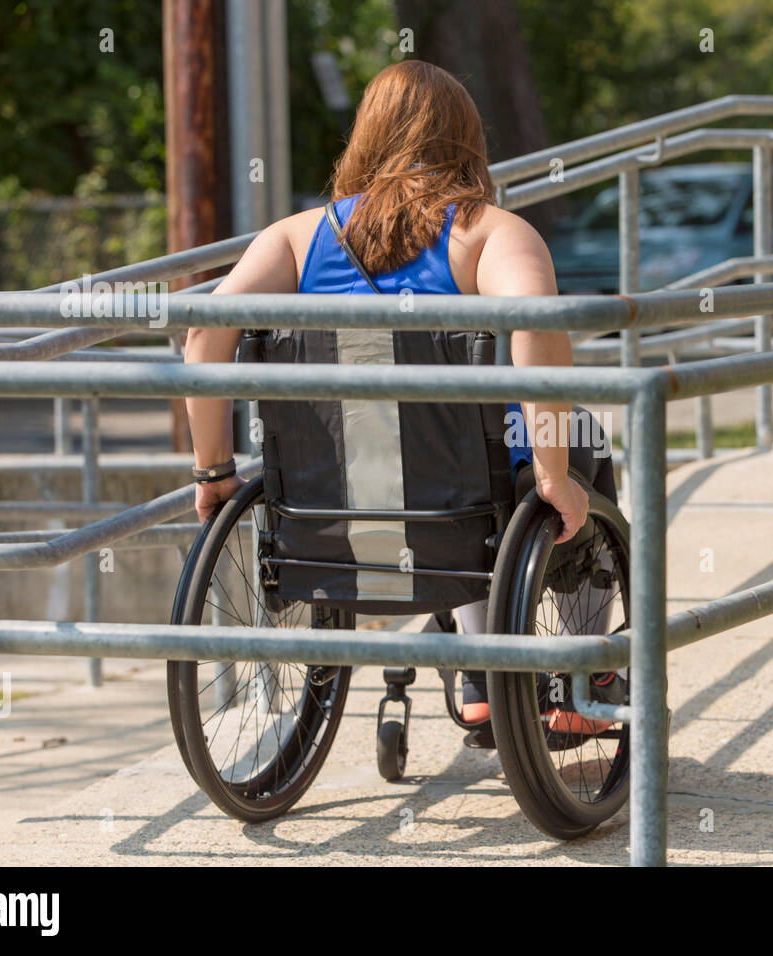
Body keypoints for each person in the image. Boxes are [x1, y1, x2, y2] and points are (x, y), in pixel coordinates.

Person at [183, 59, 595, 730]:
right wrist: (552, 476)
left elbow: (203, 336)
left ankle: (482, 668)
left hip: (323, 507)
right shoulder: (487, 233)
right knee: (577, 442)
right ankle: (589, 669)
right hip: (461, 499)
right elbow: (540, 331)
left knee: (459, 468)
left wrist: (214, 471)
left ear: (365, 136)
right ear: (467, 141)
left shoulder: (294, 237)